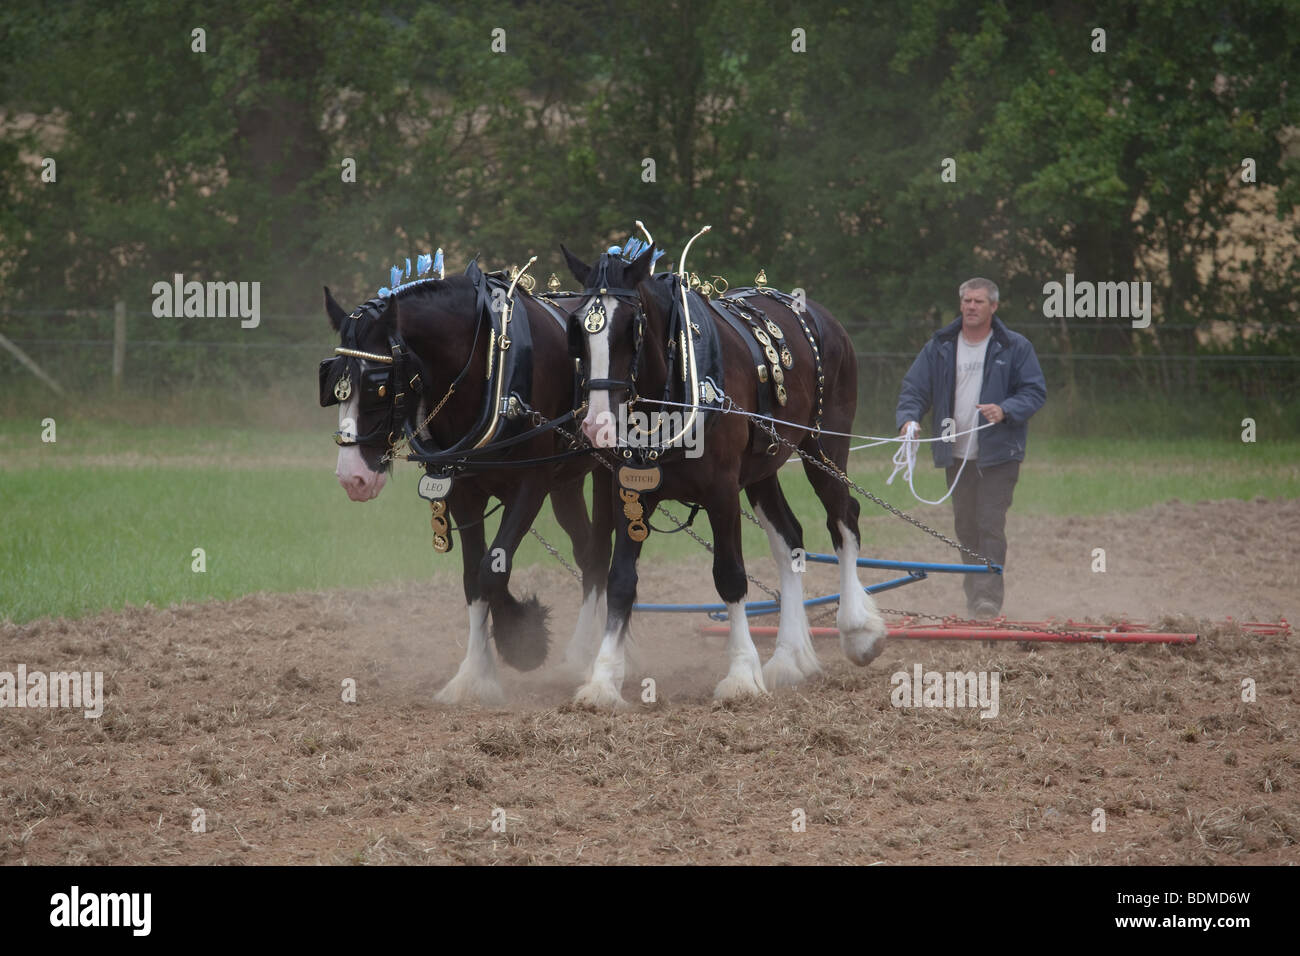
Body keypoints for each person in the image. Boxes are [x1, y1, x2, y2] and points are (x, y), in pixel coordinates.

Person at [895, 278, 1046, 619]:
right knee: (966, 527)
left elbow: (1034, 391)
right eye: (966, 301)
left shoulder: (1015, 347)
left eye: (978, 301)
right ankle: (975, 596)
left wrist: (1006, 409)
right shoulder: (941, 346)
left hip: (999, 455)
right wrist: (908, 420)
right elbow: (915, 389)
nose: (971, 307)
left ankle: (988, 598)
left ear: (993, 307)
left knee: (990, 523)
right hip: (956, 454)